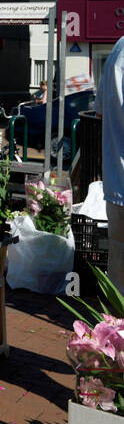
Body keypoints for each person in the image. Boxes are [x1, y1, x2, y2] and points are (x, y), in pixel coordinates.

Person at [99, 35, 124, 293]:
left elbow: (100, 111)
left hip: (117, 181)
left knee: (118, 266)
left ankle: (114, 331)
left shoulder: (118, 48)